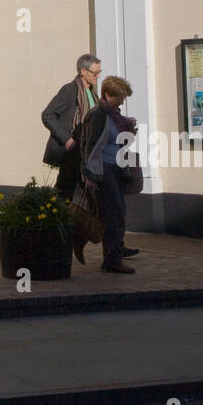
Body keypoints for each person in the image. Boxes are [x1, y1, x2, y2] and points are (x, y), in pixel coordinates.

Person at [83, 75, 140, 273]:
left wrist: (128, 135)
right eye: (120, 97)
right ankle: (112, 260)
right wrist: (89, 175)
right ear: (108, 94)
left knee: (118, 212)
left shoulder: (115, 116)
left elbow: (115, 141)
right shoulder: (98, 115)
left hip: (116, 167)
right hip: (103, 169)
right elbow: (89, 145)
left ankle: (115, 252)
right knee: (113, 214)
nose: (122, 102)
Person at [41, 54, 101, 201]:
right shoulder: (70, 90)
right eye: (95, 73)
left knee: (82, 193)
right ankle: (52, 219)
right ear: (83, 71)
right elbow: (48, 115)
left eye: (99, 72)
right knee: (65, 190)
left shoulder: (92, 95)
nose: (98, 76)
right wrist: (67, 140)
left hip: (87, 153)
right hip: (72, 151)